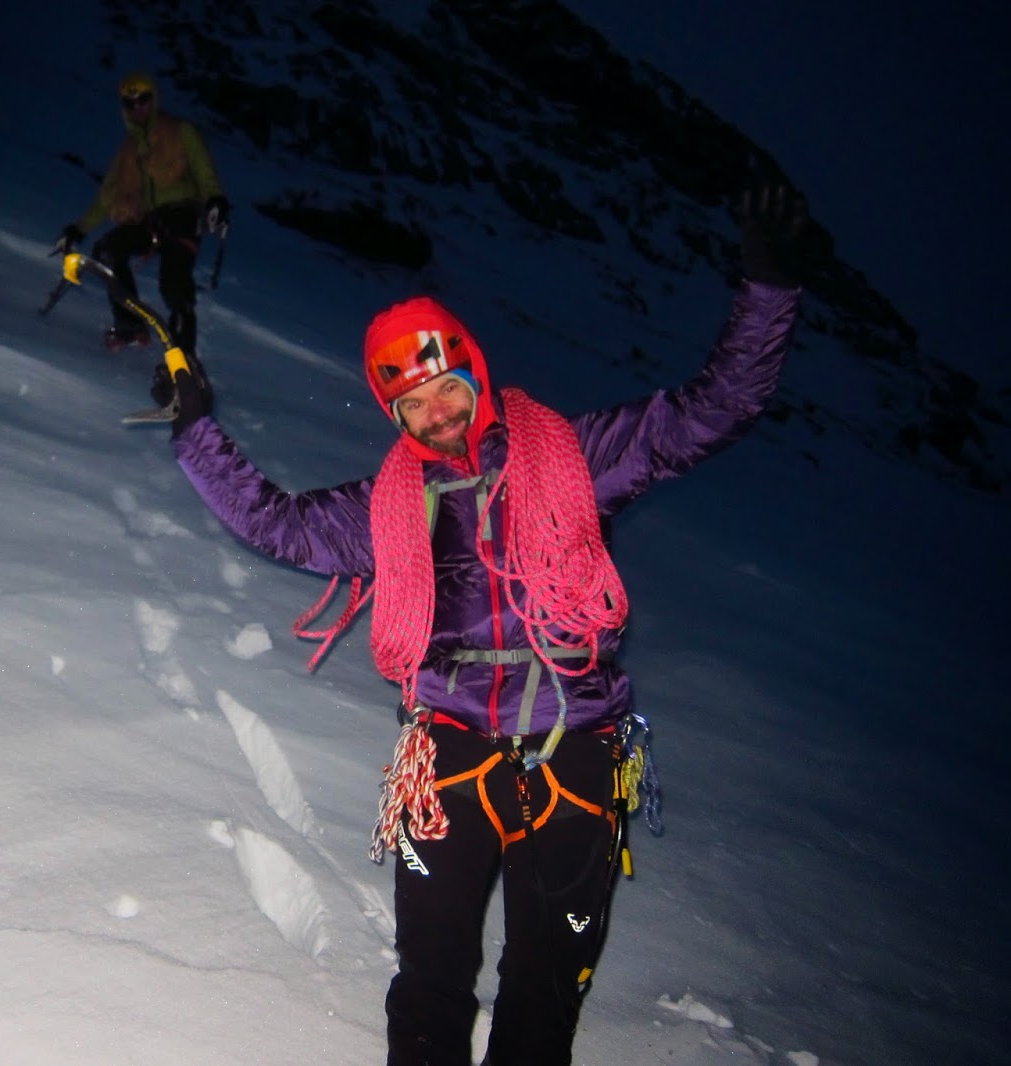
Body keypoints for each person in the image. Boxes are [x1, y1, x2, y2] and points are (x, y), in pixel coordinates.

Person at [157, 189, 808, 1066]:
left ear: (473, 372)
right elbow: (276, 523)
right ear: (394, 415)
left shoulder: (575, 455)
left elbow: (714, 408)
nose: (436, 411)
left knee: (546, 981)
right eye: (412, 403)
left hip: (576, 745)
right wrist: (196, 432)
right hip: (450, 750)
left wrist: (768, 289)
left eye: (444, 386)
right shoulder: (386, 506)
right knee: (429, 977)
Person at [54, 71, 228, 357]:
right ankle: (129, 325)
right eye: (129, 103)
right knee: (108, 250)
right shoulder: (129, 150)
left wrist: (215, 200)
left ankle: (183, 361)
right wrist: (79, 229)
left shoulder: (180, 131)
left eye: (143, 100)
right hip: (151, 221)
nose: (138, 108)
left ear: (154, 99)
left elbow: (204, 171)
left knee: (174, 286)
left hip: (184, 217)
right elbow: (108, 196)